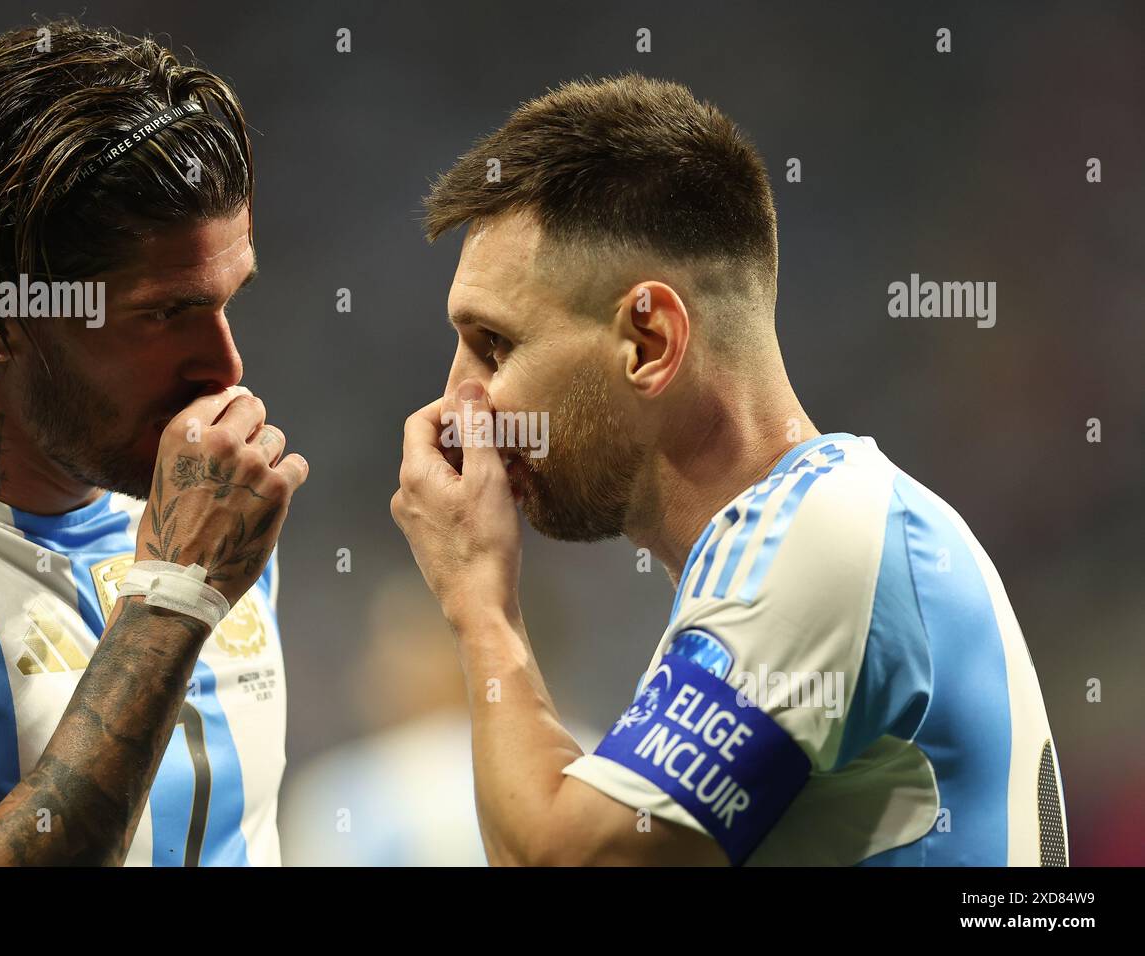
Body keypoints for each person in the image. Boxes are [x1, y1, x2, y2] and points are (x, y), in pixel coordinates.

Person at [391, 74, 1070, 866]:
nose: (455, 399)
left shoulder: (822, 532)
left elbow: (568, 859)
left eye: (494, 345)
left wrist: (480, 601)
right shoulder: (811, 541)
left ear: (650, 342)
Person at [0, 22, 307, 866]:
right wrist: (170, 601)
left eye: (227, 299)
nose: (227, 366)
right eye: (164, 313)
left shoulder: (208, 486)